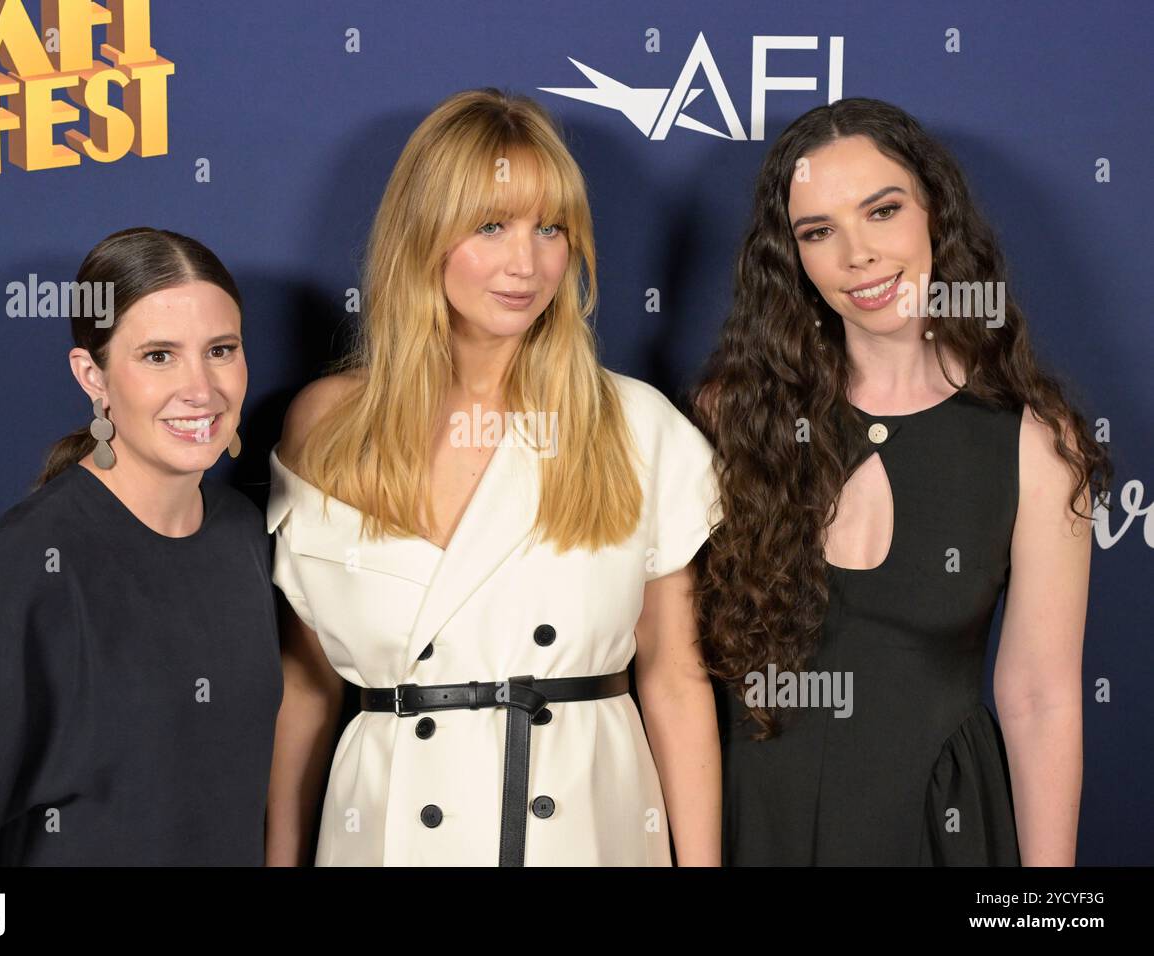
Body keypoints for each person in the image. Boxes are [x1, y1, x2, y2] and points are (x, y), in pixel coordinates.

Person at [264, 89, 722, 866]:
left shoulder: (635, 425)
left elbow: (675, 679)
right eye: (491, 227)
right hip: (385, 834)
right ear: (422, 237)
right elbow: (307, 688)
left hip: (586, 830)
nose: (527, 263)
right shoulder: (327, 426)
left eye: (551, 230)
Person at [692, 98, 1111, 866]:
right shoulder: (730, 420)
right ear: (794, 259)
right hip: (751, 819)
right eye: (819, 231)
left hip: (935, 830)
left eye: (881, 211)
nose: (858, 255)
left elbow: (1041, 700)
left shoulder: (1035, 447)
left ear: (935, 214)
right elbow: (670, 669)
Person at [0, 227, 282, 866]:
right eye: (159, 356)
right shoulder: (35, 558)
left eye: (220, 350)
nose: (201, 388)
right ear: (93, 376)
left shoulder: (242, 529)